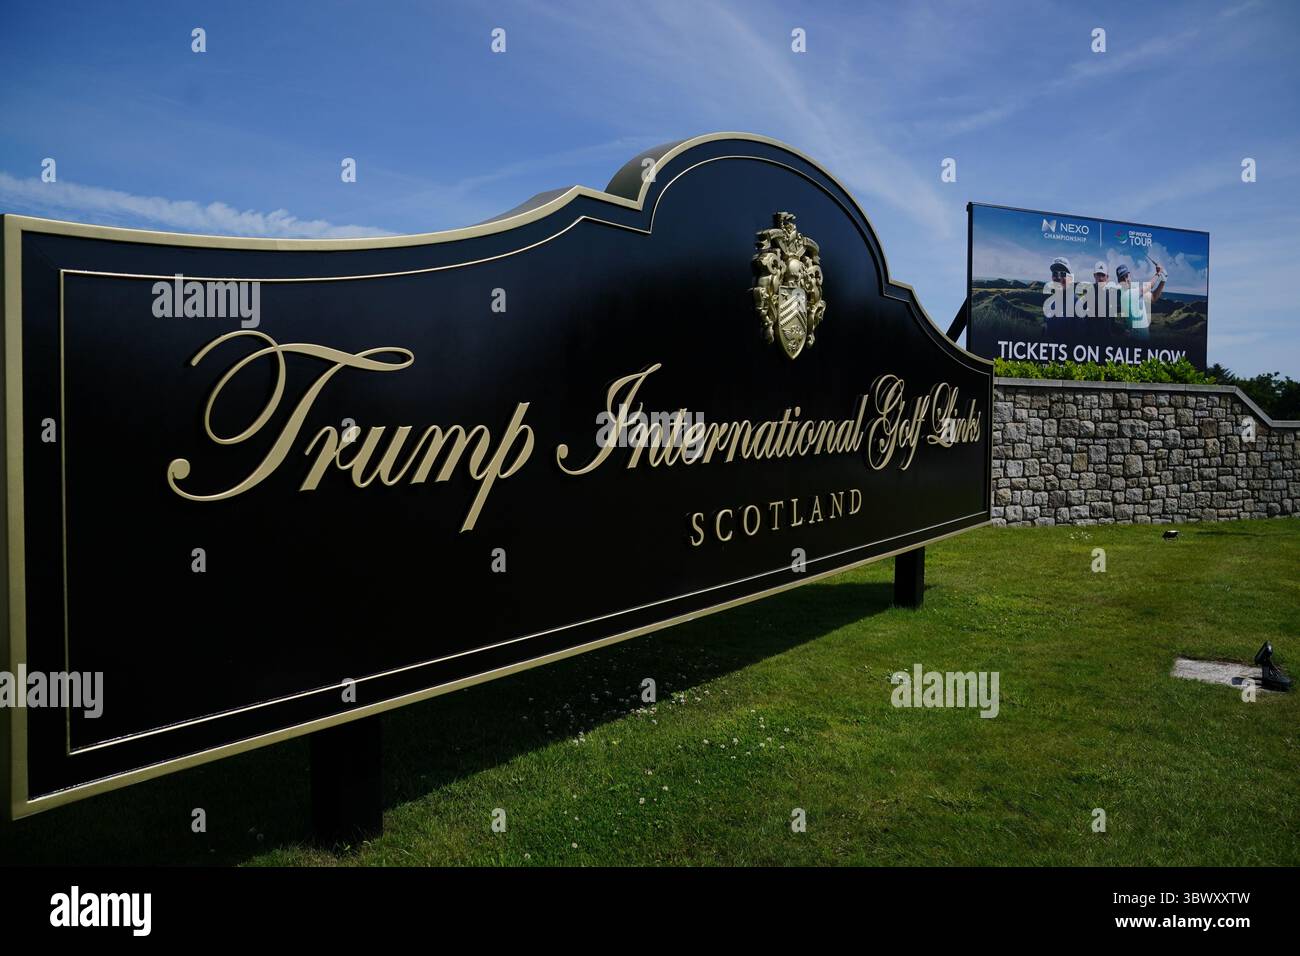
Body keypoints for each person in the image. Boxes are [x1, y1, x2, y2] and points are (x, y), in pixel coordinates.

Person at [1116, 259, 1167, 339]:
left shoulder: (1134, 290)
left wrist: (1163, 281)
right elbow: (1149, 286)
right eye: (1122, 278)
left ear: (1129, 275)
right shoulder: (1126, 295)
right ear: (1119, 281)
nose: (1126, 280)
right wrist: (1158, 273)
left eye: (1126, 276)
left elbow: (1153, 297)